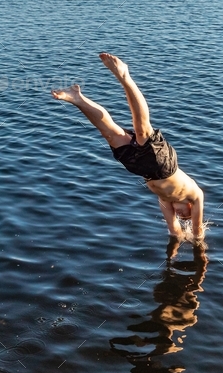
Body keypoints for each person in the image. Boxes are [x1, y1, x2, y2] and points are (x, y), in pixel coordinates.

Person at [51, 53, 204, 241]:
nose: (181, 216)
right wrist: (201, 262)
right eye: (185, 215)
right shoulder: (196, 196)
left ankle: (77, 98)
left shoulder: (165, 201)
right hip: (165, 166)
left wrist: (171, 258)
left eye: (182, 218)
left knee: (110, 134)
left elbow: (174, 230)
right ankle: (124, 75)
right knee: (142, 129)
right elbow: (197, 231)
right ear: (190, 207)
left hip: (141, 169)